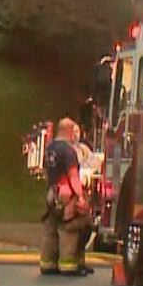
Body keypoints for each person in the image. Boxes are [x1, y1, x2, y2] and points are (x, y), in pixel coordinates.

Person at [39, 118, 93, 276]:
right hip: (66, 195)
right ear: (69, 130)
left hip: (51, 193)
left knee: (51, 229)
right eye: (74, 130)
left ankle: (48, 264)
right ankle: (70, 265)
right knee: (74, 227)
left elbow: (45, 172)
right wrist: (80, 197)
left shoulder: (50, 148)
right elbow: (73, 176)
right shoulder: (69, 151)